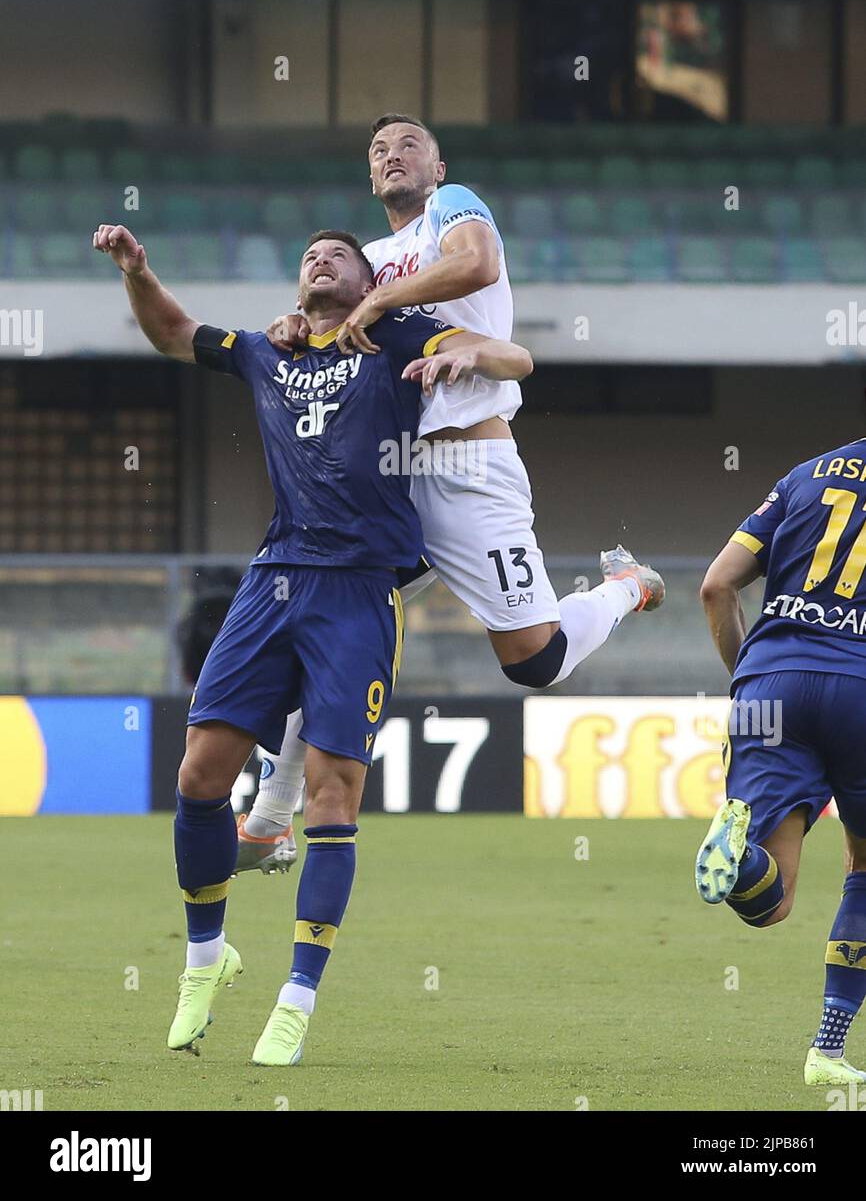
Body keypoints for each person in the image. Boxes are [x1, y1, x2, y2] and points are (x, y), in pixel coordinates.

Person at [94, 220, 532, 1066]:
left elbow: (519, 360)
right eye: (309, 257)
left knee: (333, 800)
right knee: (197, 774)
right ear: (297, 292)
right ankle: (205, 960)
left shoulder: (395, 335)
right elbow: (174, 334)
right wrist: (136, 272)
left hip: (360, 591)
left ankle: (296, 999)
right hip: (272, 580)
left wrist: (466, 358)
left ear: (368, 282)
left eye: (339, 254)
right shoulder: (267, 349)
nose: (321, 259)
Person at [236, 114, 665, 870]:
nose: (392, 155)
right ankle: (271, 817)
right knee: (330, 623)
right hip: (389, 471)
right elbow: (324, 321)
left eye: (407, 145)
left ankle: (627, 587)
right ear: (370, 178)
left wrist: (376, 305)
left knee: (535, 663)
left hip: (468, 467)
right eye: (378, 150)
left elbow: (477, 266)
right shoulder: (365, 258)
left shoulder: (451, 209)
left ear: (438, 165)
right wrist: (295, 321)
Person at [696, 435, 866, 1087]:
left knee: (771, 902)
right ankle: (827, 1047)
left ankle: (738, 857)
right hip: (859, 689)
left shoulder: (807, 474)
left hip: (769, 685)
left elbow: (716, 586)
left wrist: (754, 688)